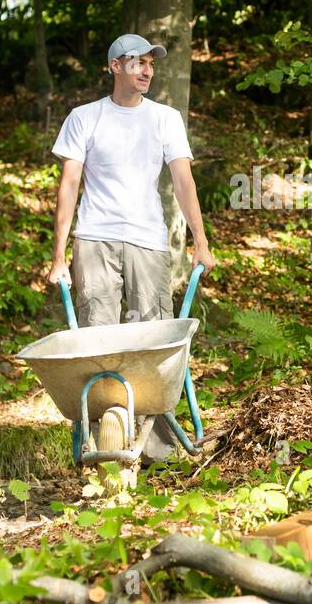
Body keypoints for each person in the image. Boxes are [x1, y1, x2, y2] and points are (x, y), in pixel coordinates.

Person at [45, 33, 216, 460]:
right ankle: (103, 443)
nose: (146, 70)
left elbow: (183, 181)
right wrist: (58, 257)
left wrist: (201, 242)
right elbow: (69, 185)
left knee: (153, 340)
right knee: (98, 341)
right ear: (114, 67)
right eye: (137, 62)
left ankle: (157, 450)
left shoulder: (165, 119)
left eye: (151, 64)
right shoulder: (85, 117)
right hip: (94, 238)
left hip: (147, 240)